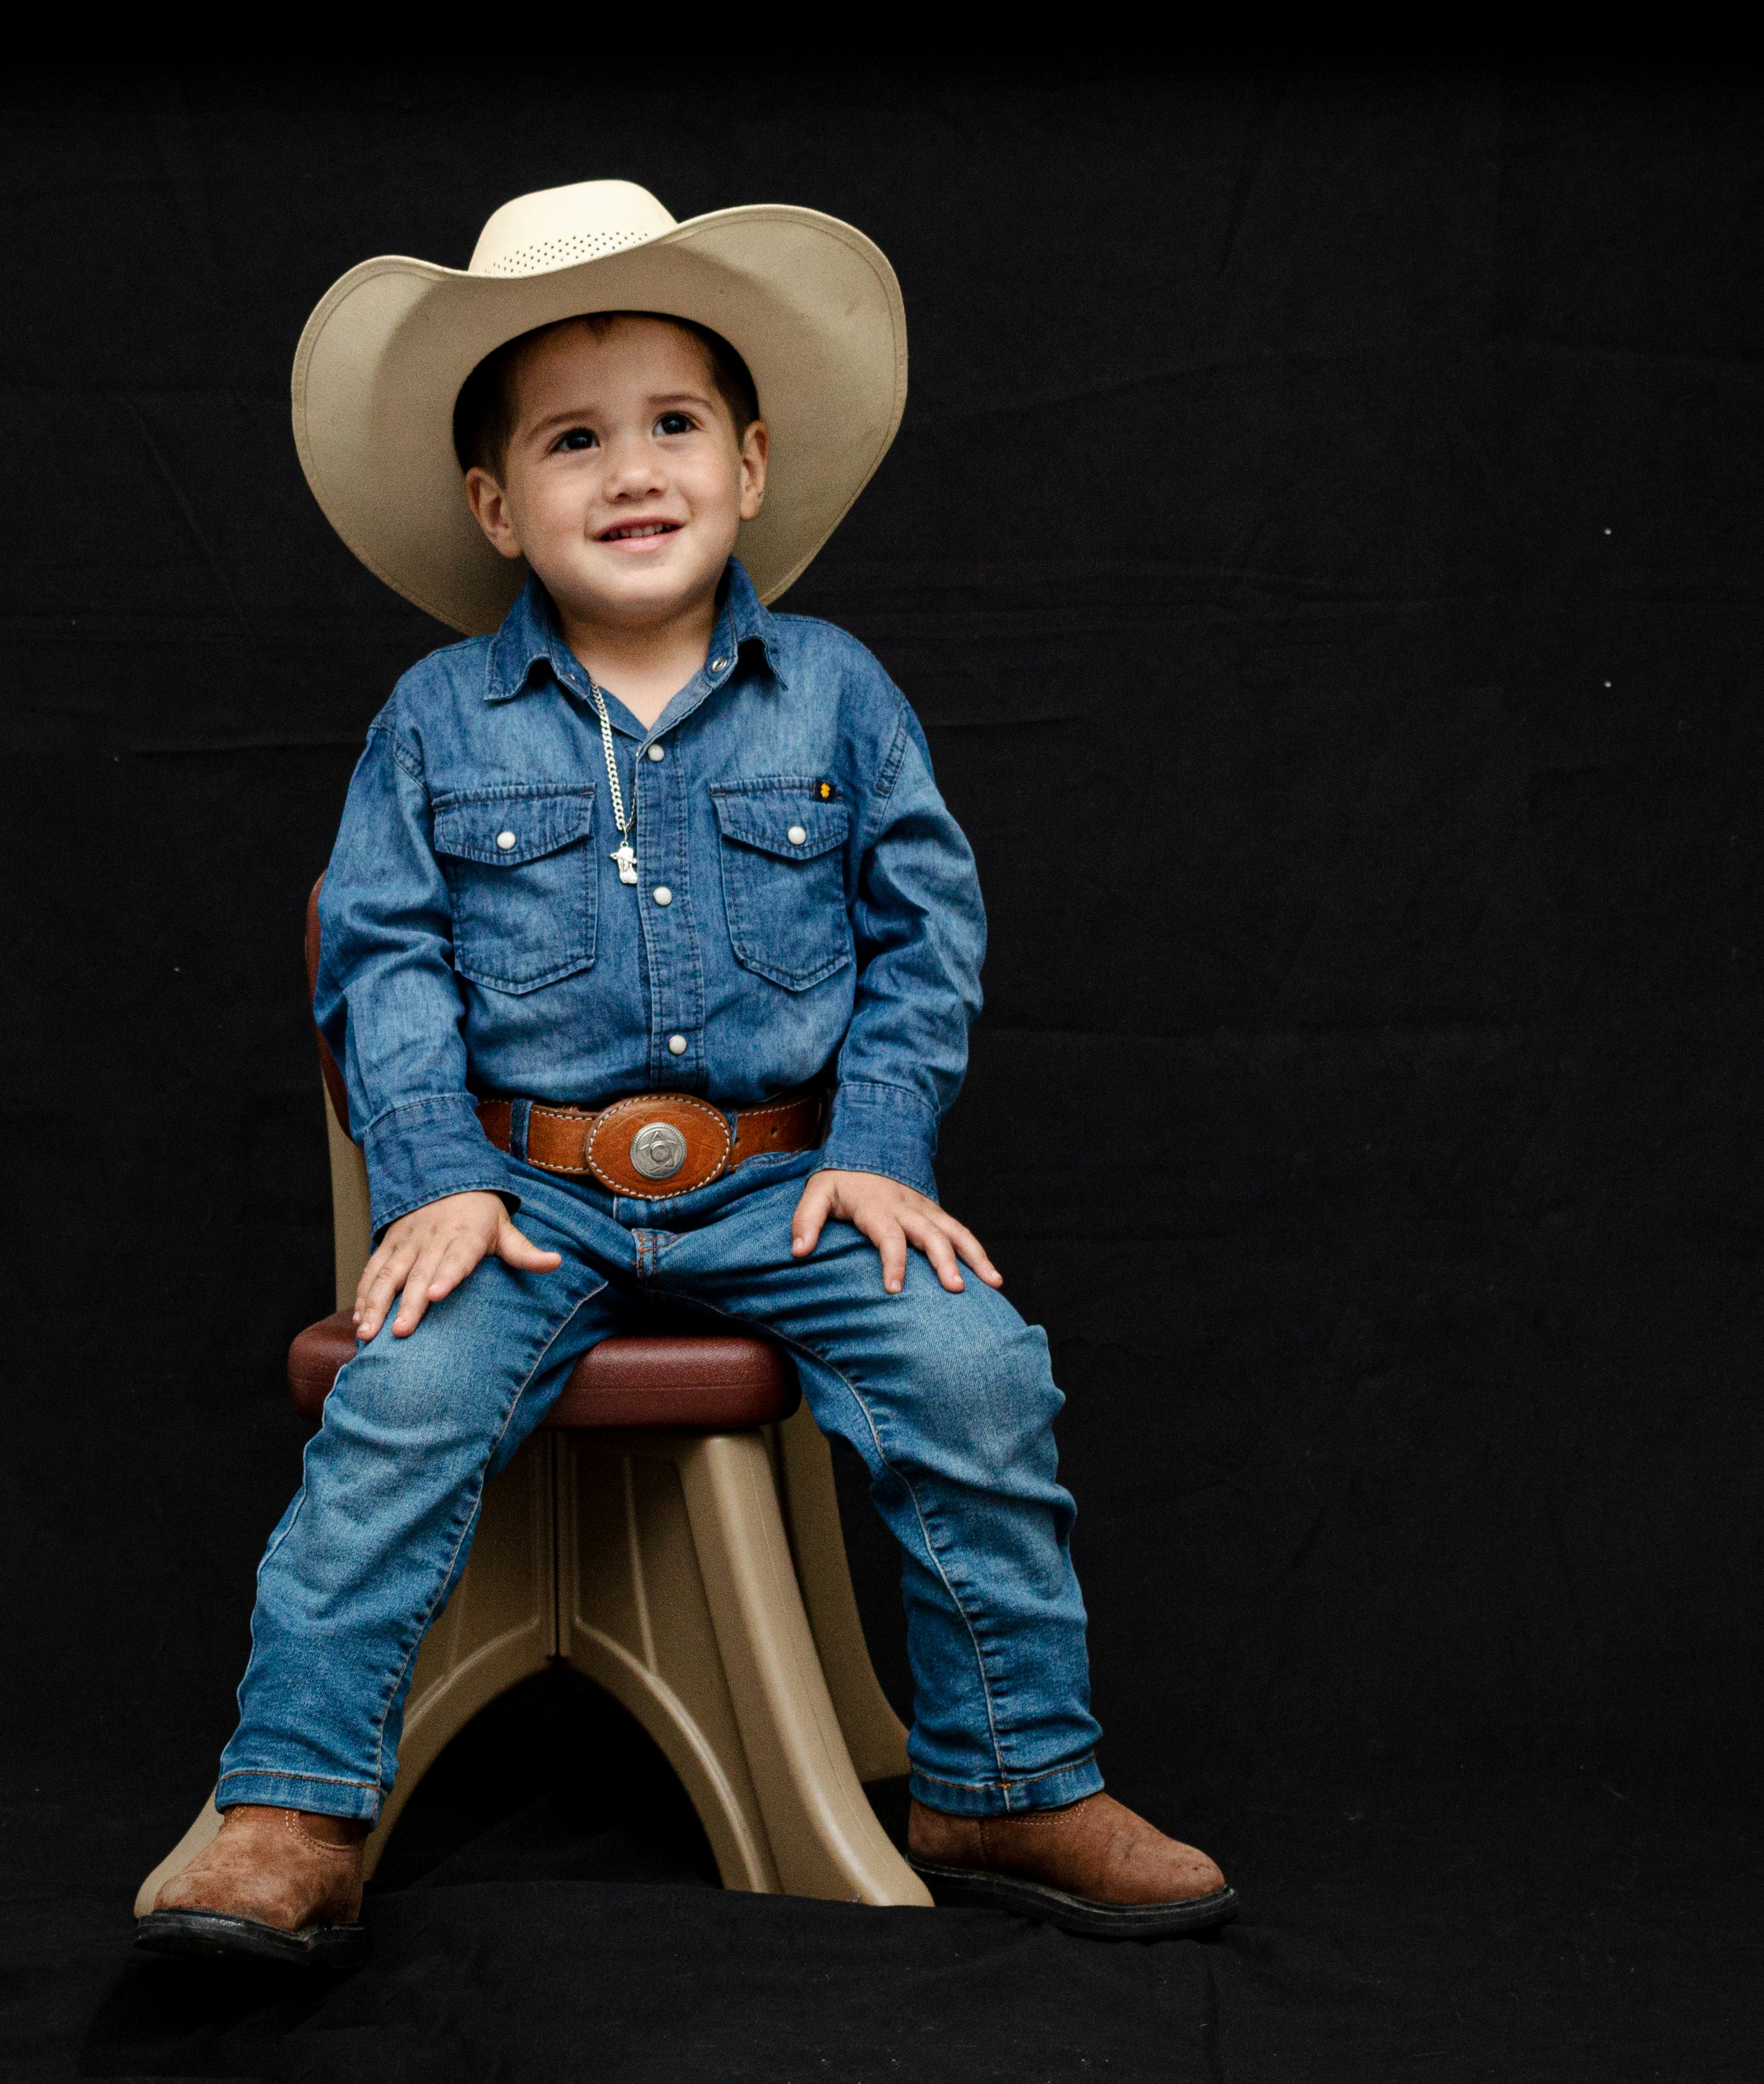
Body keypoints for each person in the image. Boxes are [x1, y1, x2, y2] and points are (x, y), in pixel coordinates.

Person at [137, 180, 1233, 1967]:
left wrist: (879, 1145)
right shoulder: (433, 720)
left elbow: (922, 934)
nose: (628, 469)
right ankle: (289, 1811)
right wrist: (435, 1182)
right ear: (498, 504)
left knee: (976, 1376)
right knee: (395, 1415)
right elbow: (384, 958)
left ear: (747, 461)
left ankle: (1009, 1782)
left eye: (669, 426)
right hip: (529, 1195)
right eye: (572, 440)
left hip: (779, 1185)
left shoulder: (838, 695)